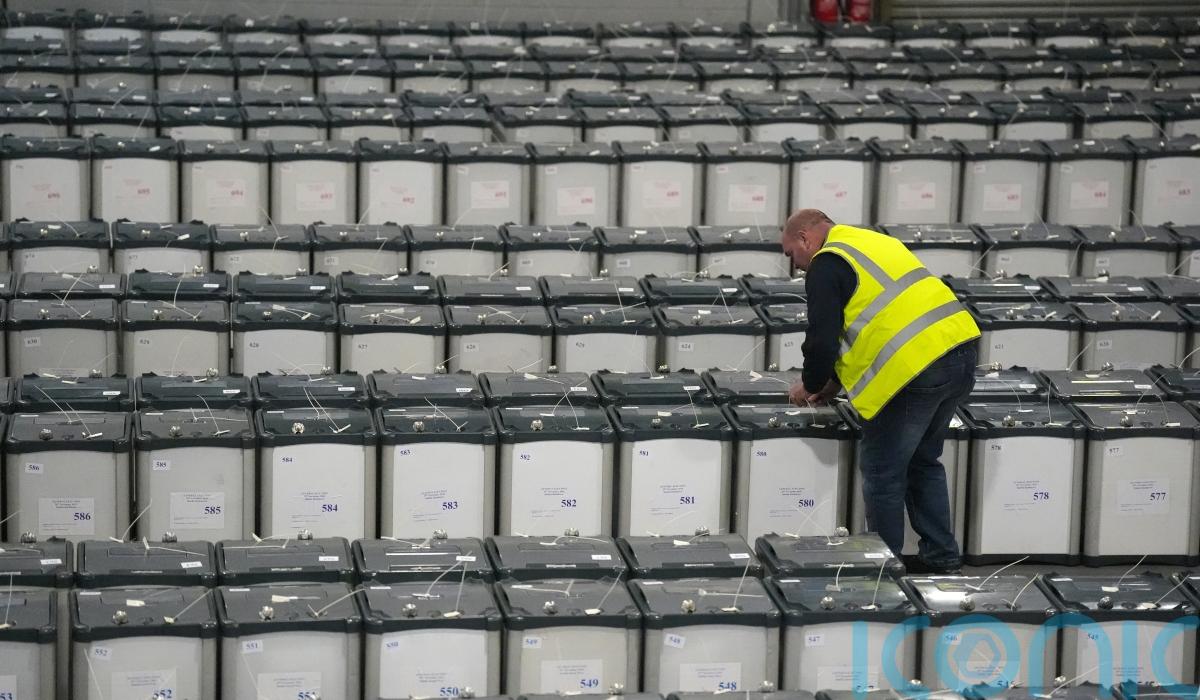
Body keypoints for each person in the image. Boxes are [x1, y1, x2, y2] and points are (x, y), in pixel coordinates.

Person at [781, 209, 980, 574]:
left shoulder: (827, 263)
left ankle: (885, 569)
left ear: (806, 238)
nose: (795, 266)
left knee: (883, 471)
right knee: (923, 461)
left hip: (913, 369)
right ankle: (942, 558)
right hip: (960, 348)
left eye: (791, 253)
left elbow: (823, 339)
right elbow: (877, 316)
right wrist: (834, 383)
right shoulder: (872, 241)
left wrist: (810, 384)